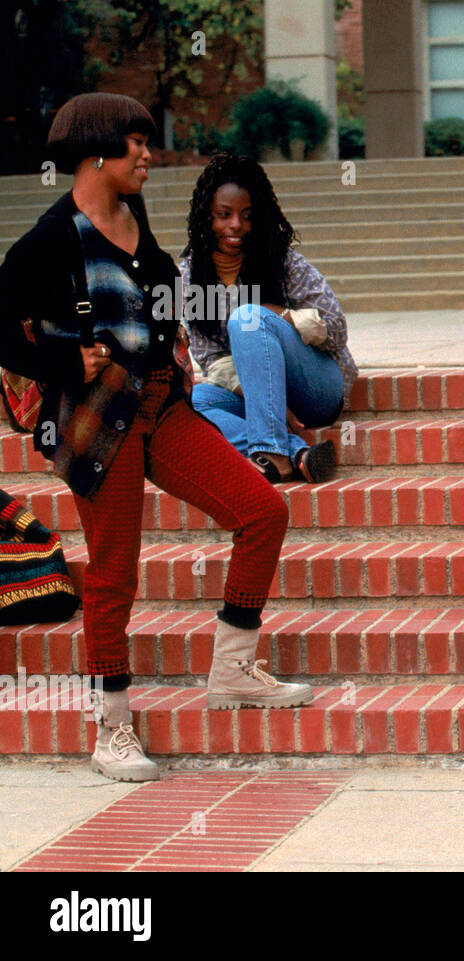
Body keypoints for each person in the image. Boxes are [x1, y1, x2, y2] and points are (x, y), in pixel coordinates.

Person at [0, 94, 311, 783]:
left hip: (163, 408)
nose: (148, 153)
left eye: (147, 141)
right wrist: (59, 361)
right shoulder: (52, 238)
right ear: (96, 153)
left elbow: (161, 295)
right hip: (100, 424)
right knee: (115, 575)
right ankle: (112, 728)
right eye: (136, 142)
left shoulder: (133, 217)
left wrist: (171, 339)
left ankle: (232, 670)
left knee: (262, 510)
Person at [179, 153, 355, 482]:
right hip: (252, 399)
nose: (236, 226)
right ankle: (295, 453)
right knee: (186, 404)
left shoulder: (281, 258)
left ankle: (273, 451)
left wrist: (281, 315)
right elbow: (211, 360)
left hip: (314, 389)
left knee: (248, 318)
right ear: (206, 217)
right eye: (224, 215)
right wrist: (267, 401)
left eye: (246, 216)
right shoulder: (190, 275)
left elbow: (336, 330)